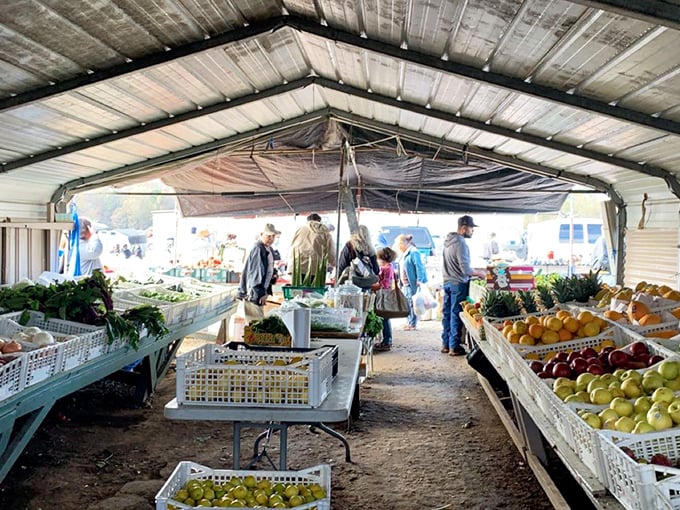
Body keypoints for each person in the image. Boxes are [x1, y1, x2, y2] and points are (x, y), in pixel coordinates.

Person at [441, 215, 487, 356]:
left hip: (447, 282)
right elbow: (465, 269)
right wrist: (480, 273)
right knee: (456, 314)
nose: (473, 231)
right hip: (458, 283)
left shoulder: (447, 242)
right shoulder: (460, 243)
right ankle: (454, 346)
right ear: (464, 228)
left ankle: (446, 344)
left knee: (447, 314)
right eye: (471, 228)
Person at [238, 223, 280, 306]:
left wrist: (273, 274)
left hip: (261, 290)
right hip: (255, 292)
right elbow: (256, 274)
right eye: (268, 236)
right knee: (255, 317)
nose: (271, 239)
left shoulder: (268, 248)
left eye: (273, 236)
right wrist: (260, 293)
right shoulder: (258, 249)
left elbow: (268, 268)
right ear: (261, 235)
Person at [289, 213, 336, 282]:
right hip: (315, 269)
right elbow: (331, 250)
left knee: (298, 291)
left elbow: (291, 247)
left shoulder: (298, 230)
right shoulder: (324, 231)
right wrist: (333, 263)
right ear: (319, 221)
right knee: (313, 292)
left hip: (296, 267)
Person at [396, 233, 428, 331]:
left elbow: (419, 266)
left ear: (403, 243)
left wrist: (419, 279)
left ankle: (412, 323)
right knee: (407, 303)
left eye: (399, 245)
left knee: (412, 303)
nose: (398, 247)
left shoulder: (413, 252)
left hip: (412, 283)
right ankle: (409, 322)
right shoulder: (405, 253)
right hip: (405, 283)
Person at [372, 246, 398, 351]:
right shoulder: (390, 266)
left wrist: (371, 286)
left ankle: (387, 342)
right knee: (385, 318)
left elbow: (383, 284)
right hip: (386, 294)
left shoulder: (385, 269)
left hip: (383, 296)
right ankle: (386, 340)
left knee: (384, 318)